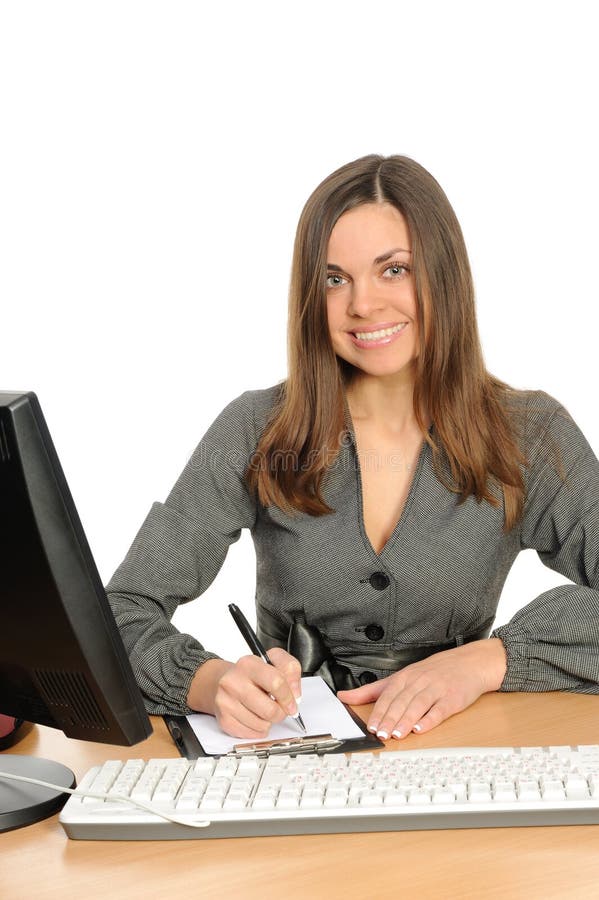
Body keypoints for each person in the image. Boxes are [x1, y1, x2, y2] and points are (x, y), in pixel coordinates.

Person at [107, 154, 599, 742]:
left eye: (394, 270)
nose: (362, 304)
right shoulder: (255, 429)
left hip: (460, 756)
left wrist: (491, 660)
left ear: (443, 275)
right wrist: (208, 682)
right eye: (334, 278)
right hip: (291, 756)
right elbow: (118, 613)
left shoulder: (530, 436)